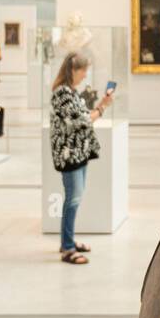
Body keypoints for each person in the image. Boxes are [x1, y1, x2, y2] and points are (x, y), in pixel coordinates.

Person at [50, 52, 112, 265]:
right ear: (73, 70)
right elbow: (81, 121)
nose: (85, 75)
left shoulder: (71, 92)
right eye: (83, 70)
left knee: (74, 198)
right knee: (73, 199)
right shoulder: (62, 94)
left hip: (78, 153)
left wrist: (100, 105)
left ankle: (67, 241)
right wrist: (102, 108)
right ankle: (67, 247)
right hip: (70, 155)